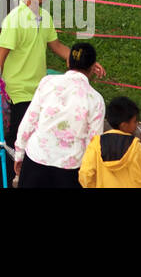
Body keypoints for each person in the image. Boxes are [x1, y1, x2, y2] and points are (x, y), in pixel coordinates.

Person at [0, 0, 105, 184]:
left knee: (25, 139)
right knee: (17, 140)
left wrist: (85, 62)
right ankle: (1, 182)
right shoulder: (14, 19)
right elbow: (0, 57)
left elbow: (56, 46)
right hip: (18, 90)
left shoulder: (44, 17)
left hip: (38, 88)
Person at [15, 42, 106, 188]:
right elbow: (94, 143)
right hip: (70, 169)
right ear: (92, 67)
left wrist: (19, 154)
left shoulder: (47, 83)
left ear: (68, 61)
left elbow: (29, 120)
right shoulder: (95, 100)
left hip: (36, 159)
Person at [79, 95, 141, 188]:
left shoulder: (96, 143)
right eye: (135, 121)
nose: (136, 125)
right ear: (124, 125)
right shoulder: (136, 146)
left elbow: (85, 174)